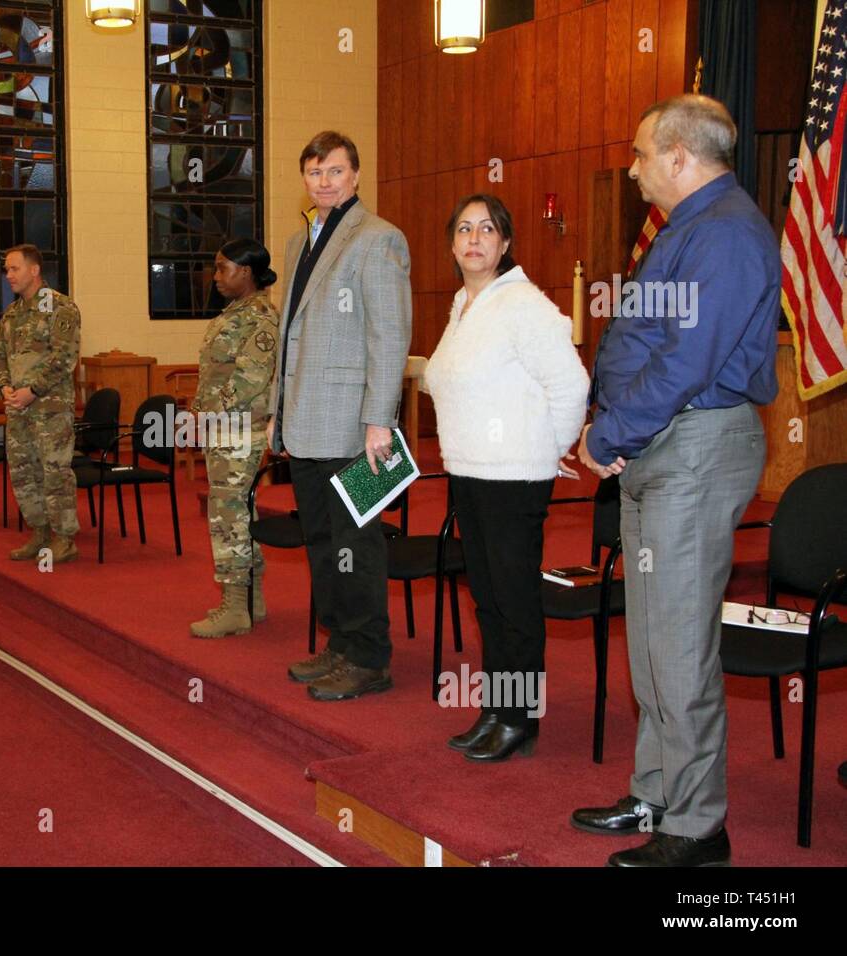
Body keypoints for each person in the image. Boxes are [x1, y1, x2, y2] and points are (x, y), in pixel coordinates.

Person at [572, 95, 779, 867]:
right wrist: (615, 421)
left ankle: (697, 826)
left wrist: (611, 432)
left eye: (639, 155)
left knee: (681, 641)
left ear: (680, 157)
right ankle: (655, 791)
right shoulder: (692, 228)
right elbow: (650, 342)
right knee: (655, 635)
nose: (631, 169)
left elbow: (687, 364)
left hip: (691, 444)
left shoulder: (723, 235)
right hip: (663, 443)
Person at [422, 195, 589, 761]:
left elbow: (571, 385)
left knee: (515, 604)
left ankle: (520, 719)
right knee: (488, 602)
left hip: (514, 477)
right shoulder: (464, 306)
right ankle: (497, 708)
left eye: (487, 229)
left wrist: (555, 446)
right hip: (469, 473)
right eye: (464, 228)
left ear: (505, 243)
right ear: (452, 244)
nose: (474, 238)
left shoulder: (523, 304)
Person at [268, 130, 412, 701]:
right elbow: (288, 337)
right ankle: (341, 642)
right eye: (313, 172)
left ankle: (370, 656)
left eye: (334, 171)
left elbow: (390, 334)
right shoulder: (298, 241)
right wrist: (278, 412)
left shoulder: (379, 239)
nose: (323, 182)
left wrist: (381, 420)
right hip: (305, 421)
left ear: (355, 175)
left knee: (359, 542)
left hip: (355, 424)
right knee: (323, 540)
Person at [190, 239, 280, 639]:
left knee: (228, 518)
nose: (216, 276)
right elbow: (216, 372)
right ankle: (251, 601)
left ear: (246, 271)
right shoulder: (236, 312)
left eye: (222, 268)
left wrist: (209, 413)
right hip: (223, 428)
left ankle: (233, 608)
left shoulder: (259, 316)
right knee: (241, 514)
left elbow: (250, 378)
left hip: (238, 430)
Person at [0, 244, 82, 564]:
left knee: (54, 471)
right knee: (24, 472)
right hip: (18, 407)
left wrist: (33, 389)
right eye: (6, 269)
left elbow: (64, 358)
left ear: (34, 271)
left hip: (50, 407)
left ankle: (65, 538)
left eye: (13, 269)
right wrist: (4, 386)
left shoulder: (61, 307)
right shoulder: (11, 315)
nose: (8, 276)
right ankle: (40, 532)